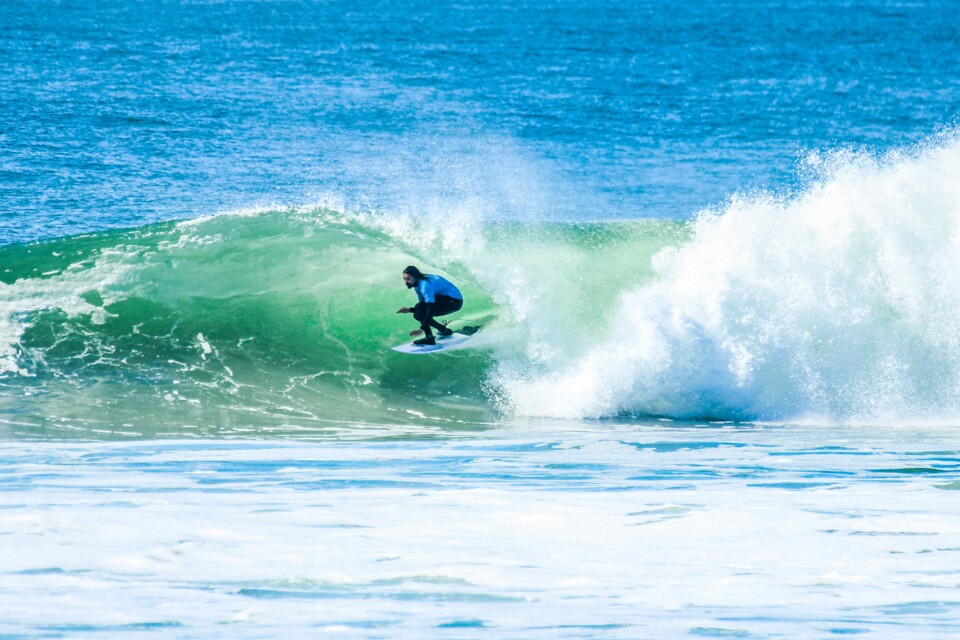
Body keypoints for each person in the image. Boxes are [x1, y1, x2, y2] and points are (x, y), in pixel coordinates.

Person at [397, 265, 463, 346]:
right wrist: (409, 310)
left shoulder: (425, 286)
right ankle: (443, 330)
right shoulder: (417, 285)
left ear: (415, 277)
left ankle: (430, 338)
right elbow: (422, 309)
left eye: (408, 279)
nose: (406, 282)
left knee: (420, 310)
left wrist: (421, 329)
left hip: (454, 301)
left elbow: (430, 310)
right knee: (418, 313)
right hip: (444, 299)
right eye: (404, 279)